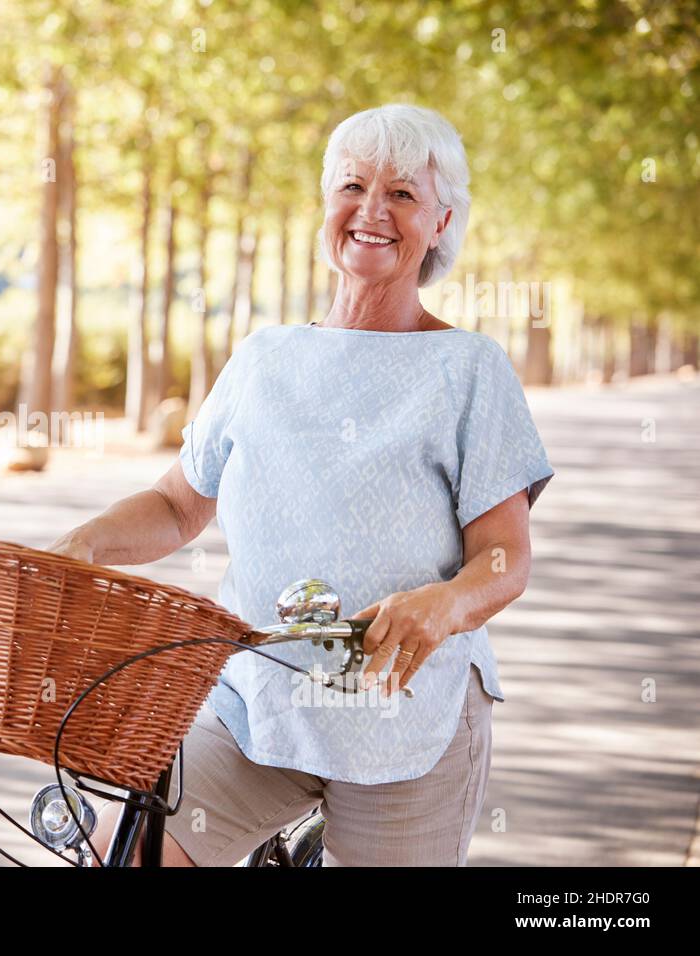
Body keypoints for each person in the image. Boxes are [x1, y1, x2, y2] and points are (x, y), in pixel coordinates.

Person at [48, 104, 554, 866]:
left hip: (407, 718)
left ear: (441, 222)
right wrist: (84, 544)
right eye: (353, 186)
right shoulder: (264, 357)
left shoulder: (470, 369)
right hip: (259, 706)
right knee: (121, 855)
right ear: (327, 204)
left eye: (403, 194)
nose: (372, 211)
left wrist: (443, 604)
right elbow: (177, 505)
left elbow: (503, 560)